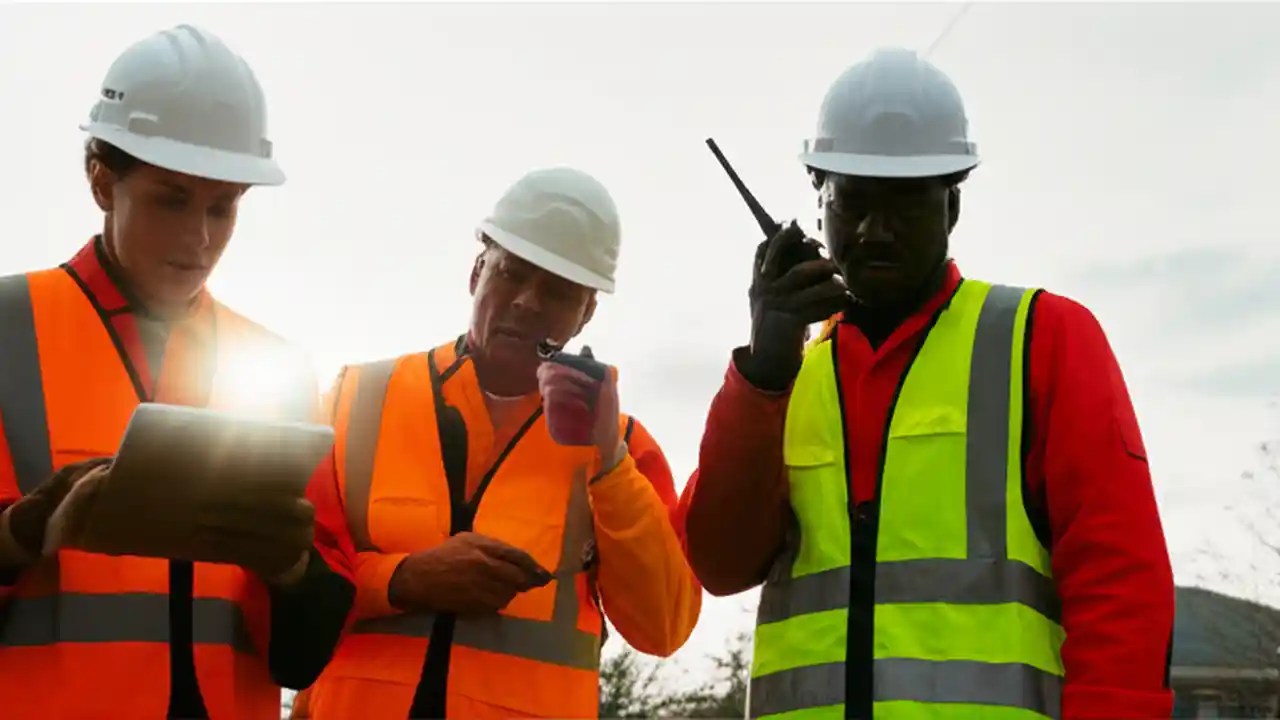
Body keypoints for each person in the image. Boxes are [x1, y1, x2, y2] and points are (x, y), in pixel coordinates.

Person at [677, 47, 1176, 719]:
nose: (873, 231)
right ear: (818, 202)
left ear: (953, 205)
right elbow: (718, 563)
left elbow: (1121, 587)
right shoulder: (782, 379)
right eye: (850, 203)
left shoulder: (1044, 338)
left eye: (905, 204)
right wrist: (765, 367)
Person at [0, 25, 355, 718]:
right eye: (172, 199)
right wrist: (21, 535)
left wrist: (293, 572)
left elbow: (306, 653)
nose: (199, 240)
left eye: (222, 208)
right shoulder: (7, 328)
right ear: (101, 179)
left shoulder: (278, 370)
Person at [296, 166, 701, 719]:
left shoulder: (623, 447)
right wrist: (405, 580)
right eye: (511, 274)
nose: (528, 302)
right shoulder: (356, 400)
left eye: (558, 291)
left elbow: (664, 627)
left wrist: (609, 463)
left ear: (586, 313)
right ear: (476, 272)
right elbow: (294, 577)